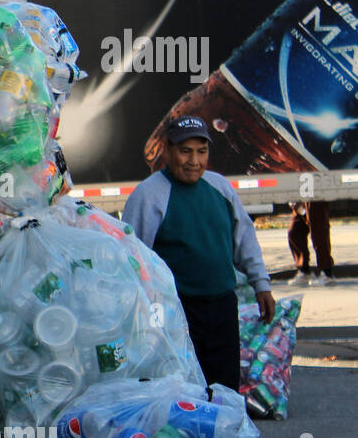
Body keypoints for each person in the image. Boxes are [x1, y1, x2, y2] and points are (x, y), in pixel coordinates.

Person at [122, 116, 275, 390]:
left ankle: (225, 431)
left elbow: (245, 239)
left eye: (201, 152)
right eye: (185, 151)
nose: (194, 161)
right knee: (185, 388)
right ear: (167, 151)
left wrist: (261, 284)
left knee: (224, 387)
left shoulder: (220, 187)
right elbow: (133, 258)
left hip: (222, 307)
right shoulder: (149, 195)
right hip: (176, 311)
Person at [288, 200, 334, 287]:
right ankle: (304, 271)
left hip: (315, 194)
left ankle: (327, 273)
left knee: (318, 233)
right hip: (301, 193)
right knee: (294, 232)